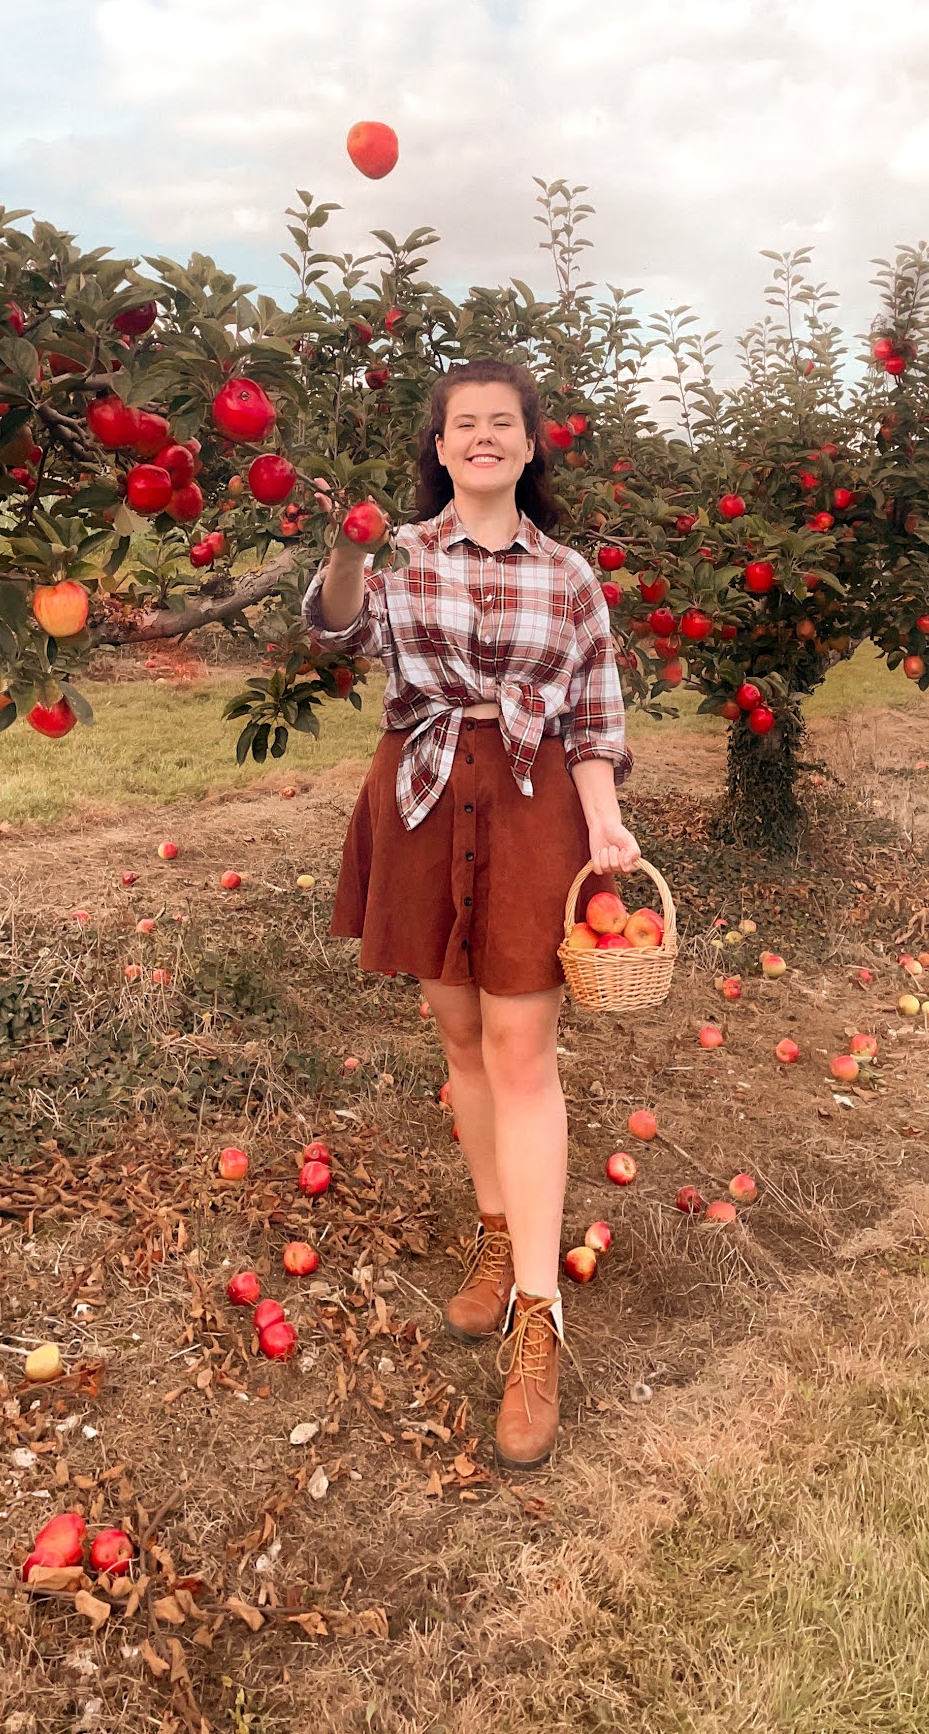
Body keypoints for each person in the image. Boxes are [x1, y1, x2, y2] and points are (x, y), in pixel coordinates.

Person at [301, 358, 639, 1468]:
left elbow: (593, 717)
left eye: (504, 423)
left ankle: (537, 1315)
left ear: (531, 446)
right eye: (465, 425)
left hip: (538, 796)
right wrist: (349, 548)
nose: (484, 438)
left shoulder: (571, 576)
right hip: (422, 792)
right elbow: (335, 634)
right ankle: (495, 1236)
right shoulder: (394, 553)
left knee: (521, 1046)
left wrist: (606, 828)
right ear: (440, 448)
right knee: (460, 1037)